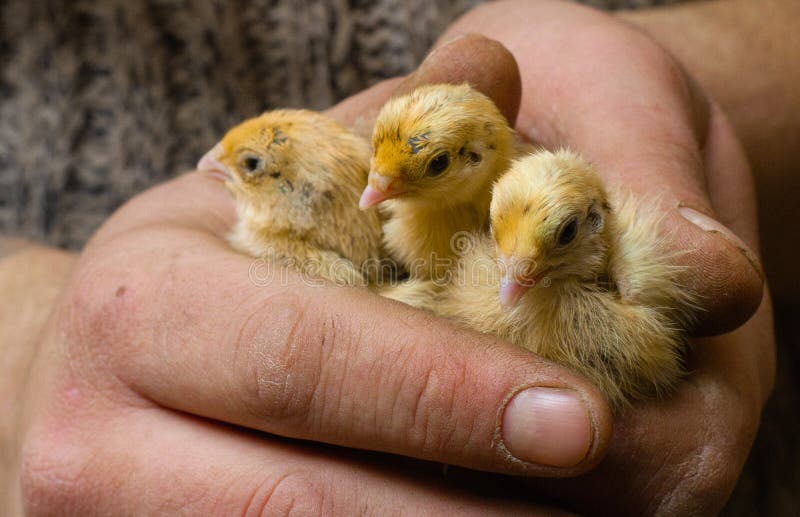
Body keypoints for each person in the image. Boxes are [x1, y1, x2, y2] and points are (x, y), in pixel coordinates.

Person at [1, 0, 796, 514]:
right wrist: (28, 327)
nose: (379, 197)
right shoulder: (397, 225)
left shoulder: (507, 238)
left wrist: (695, 108)